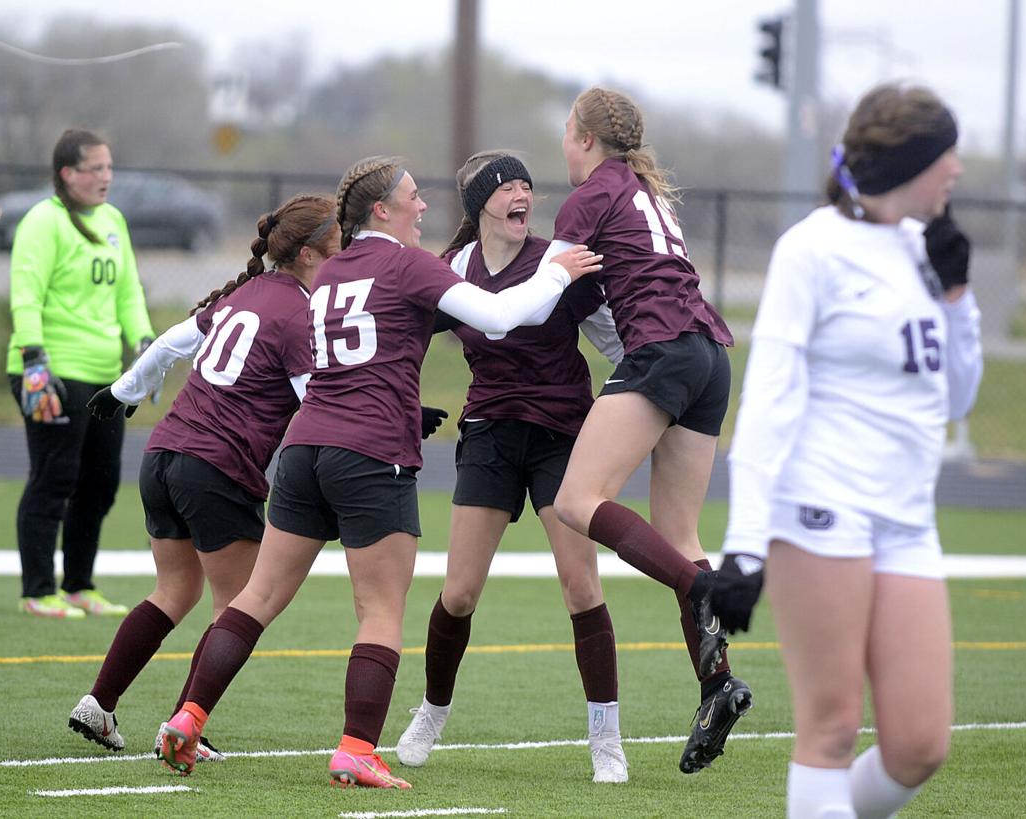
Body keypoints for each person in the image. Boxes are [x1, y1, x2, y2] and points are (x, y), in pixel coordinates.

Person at [155, 155, 603, 789]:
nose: (424, 208)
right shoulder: (408, 263)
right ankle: (358, 749)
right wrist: (556, 273)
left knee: (257, 597)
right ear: (381, 211)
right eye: (414, 198)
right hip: (370, 454)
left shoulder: (329, 269)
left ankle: (188, 716)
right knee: (381, 611)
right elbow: (501, 317)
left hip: (305, 448)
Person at [709, 83, 982, 818]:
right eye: (945, 152)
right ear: (912, 160)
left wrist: (957, 296)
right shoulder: (811, 248)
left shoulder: (926, 249)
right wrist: (743, 544)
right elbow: (768, 398)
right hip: (820, 507)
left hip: (905, 519)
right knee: (828, 730)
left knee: (919, 743)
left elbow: (956, 398)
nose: (956, 167)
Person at [65, 194, 340, 763]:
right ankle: (183, 725)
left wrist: (124, 392)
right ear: (312, 253)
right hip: (216, 468)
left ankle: (100, 702)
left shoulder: (245, 294)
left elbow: (169, 342)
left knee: (174, 591)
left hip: (163, 454)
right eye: (342, 242)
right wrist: (384, 416)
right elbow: (315, 400)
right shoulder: (299, 313)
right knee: (237, 606)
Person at [392, 150, 630, 783]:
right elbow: (402, 340)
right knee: (460, 593)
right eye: (509, 187)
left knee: (582, 587)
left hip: (561, 437)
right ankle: (432, 711)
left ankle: (605, 737)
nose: (523, 195)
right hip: (491, 435)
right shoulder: (455, 271)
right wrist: (394, 402)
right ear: (482, 206)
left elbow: (620, 340)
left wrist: (660, 385)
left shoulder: (562, 262)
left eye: (529, 185)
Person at [542, 87, 754, 774]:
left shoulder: (589, 195)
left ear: (582, 137)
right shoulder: (641, 189)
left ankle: (704, 589)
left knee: (576, 501)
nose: (563, 145)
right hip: (707, 354)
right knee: (680, 540)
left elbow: (555, 294)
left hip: (660, 351)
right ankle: (717, 683)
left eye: (566, 133)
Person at [6, 128, 154, 619]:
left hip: (104, 378)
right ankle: (37, 590)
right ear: (68, 174)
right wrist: (34, 363)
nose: (106, 177)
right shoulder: (42, 222)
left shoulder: (113, 221)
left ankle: (78, 584)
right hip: (51, 373)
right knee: (55, 478)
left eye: (110, 167)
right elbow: (26, 294)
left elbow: (129, 292)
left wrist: (145, 345)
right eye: (96, 168)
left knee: (101, 482)